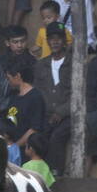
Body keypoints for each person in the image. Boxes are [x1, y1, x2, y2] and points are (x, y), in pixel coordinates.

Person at [34, 24, 73, 171]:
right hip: (46, 115)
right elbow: (37, 92)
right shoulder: (41, 65)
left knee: (57, 136)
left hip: (69, 115)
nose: (55, 42)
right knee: (37, 137)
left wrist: (61, 112)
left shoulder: (74, 63)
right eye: (51, 38)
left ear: (64, 41)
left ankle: (57, 174)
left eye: (59, 38)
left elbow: (80, 94)